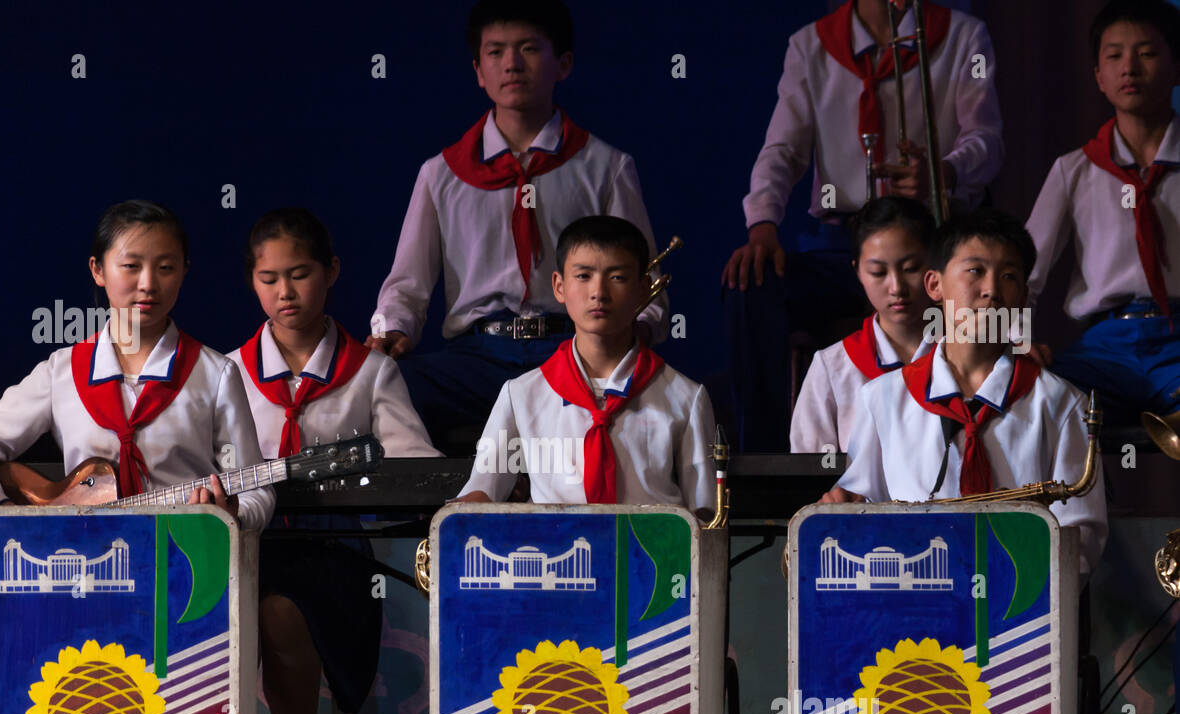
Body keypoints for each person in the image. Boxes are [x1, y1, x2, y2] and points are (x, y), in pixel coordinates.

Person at [227, 209, 440, 714]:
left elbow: (416, 467)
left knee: (279, 611)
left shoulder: (370, 371)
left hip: (331, 557)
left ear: (332, 273)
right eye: (269, 279)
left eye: (300, 274)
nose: (285, 293)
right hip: (246, 543)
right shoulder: (226, 372)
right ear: (252, 283)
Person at [371, 0, 664, 455]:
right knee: (388, 385)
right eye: (495, 52)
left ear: (563, 64)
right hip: (476, 359)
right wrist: (392, 327)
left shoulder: (605, 167)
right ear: (478, 71)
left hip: (573, 349)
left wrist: (634, 330)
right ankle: (439, 516)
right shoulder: (441, 174)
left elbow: (645, 282)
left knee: (648, 390)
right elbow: (407, 285)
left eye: (529, 48)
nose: (511, 64)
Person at [723, 0, 1003, 451]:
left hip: (930, 243)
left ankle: (977, 451)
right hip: (842, 246)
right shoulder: (811, 45)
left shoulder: (963, 36)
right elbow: (782, 150)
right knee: (750, 284)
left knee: (988, 289)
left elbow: (987, 140)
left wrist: (944, 171)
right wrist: (762, 223)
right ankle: (764, 456)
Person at [0, 199, 273, 531]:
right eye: (131, 266)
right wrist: (1, 515)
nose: (148, 284)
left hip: (184, 565)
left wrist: (231, 516)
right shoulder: (63, 372)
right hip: (83, 568)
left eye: (166, 267)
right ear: (98, 270)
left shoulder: (215, 374)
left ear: (184, 271)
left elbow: (256, 488)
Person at [824, 209, 1108, 577]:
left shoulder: (1061, 405)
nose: (992, 289)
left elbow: (1080, 537)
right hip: (915, 608)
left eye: (1009, 276)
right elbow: (865, 510)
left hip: (1023, 614)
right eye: (975, 270)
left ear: (1022, 295)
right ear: (934, 285)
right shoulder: (882, 399)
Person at [458, 216, 714, 514]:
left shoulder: (686, 399)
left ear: (644, 289)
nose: (599, 293)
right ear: (558, 286)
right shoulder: (520, 395)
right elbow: (481, 490)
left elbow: (705, 517)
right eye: (583, 276)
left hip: (654, 558)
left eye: (617, 277)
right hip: (554, 556)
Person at [1026, 0, 1180, 424]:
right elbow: (1023, 272)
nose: (1129, 67)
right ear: (1099, 76)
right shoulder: (1074, 169)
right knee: (1036, 408)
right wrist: (1018, 341)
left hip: (1177, 337)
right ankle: (1095, 496)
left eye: (1146, 53)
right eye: (1114, 56)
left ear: (1176, 66)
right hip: (1103, 347)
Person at [790, 196, 936, 453]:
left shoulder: (964, 355)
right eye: (878, 272)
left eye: (911, 268)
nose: (897, 288)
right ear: (857, 272)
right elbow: (810, 473)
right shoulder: (833, 368)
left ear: (935, 266)